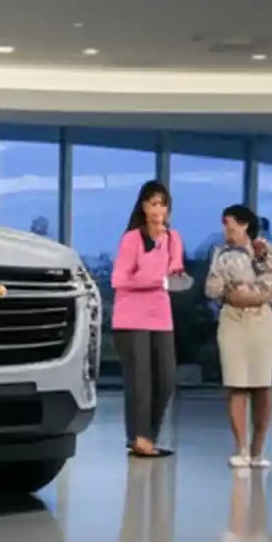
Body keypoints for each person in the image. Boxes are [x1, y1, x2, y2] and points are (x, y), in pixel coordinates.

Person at [205, 204, 272, 468]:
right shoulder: (219, 253)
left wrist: (249, 291)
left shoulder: (264, 250)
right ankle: (240, 447)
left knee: (262, 384)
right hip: (231, 321)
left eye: (230, 223)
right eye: (225, 223)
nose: (226, 229)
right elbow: (212, 287)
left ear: (244, 225)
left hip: (260, 320)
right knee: (236, 383)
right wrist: (230, 292)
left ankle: (258, 449)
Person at [111, 180, 187, 458]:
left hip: (161, 316)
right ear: (143, 207)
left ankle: (148, 436)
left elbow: (175, 274)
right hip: (131, 317)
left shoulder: (173, 238)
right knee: (139, 382)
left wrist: (174, 280)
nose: (158, 209)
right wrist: (156, 280)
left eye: (163, 204)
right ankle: (139, 438)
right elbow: (119, 279)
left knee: (166, 379)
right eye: (153, 203)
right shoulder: (132, 239)